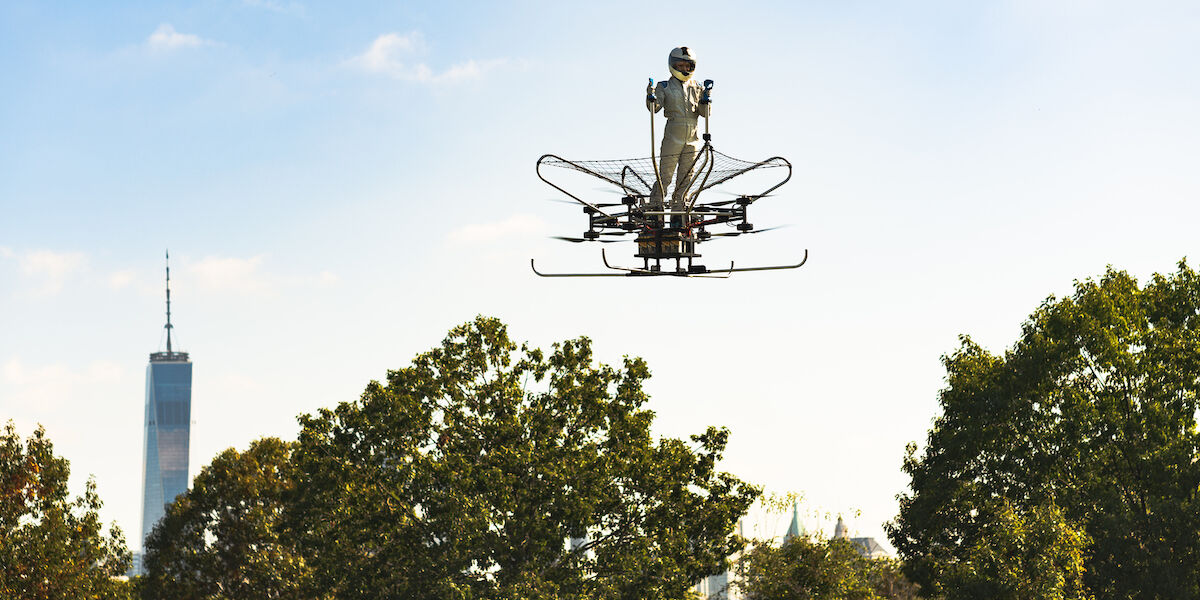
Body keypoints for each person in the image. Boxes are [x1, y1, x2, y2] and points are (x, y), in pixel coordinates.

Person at [645, 46, 711, 226]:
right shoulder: (664, 86)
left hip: (693, 136)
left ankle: (679, 213)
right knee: (665, 175)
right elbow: (655, 108)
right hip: (673, 133)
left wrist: (707, 98)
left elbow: (704, 114)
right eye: (680, 65)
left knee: (686, 176)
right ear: (673, 65)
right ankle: (655, 210)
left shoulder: (697, 87)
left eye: (687, 66)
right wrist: (650, 96)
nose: (684, 69)